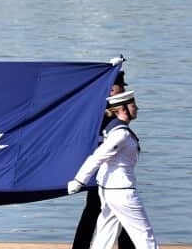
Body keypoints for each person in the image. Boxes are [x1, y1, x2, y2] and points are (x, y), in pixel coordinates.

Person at [67, 90, 159, 249]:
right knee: (145, 236)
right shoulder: (120, 134)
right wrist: (79, 181)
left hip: (110, 191)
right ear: (123, 109)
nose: (137, 108)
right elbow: (98, 157)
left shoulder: (115, 130)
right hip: (122, 192)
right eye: (133, 105)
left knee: (105, 236)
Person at [72, 71, 134, 249]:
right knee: (99, 209)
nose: (123, 90)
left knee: (109, 211)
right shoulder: (100, 108)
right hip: (103, 168)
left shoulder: (108, 107)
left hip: (112, 168)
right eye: (120, 87)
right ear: (112, 88)